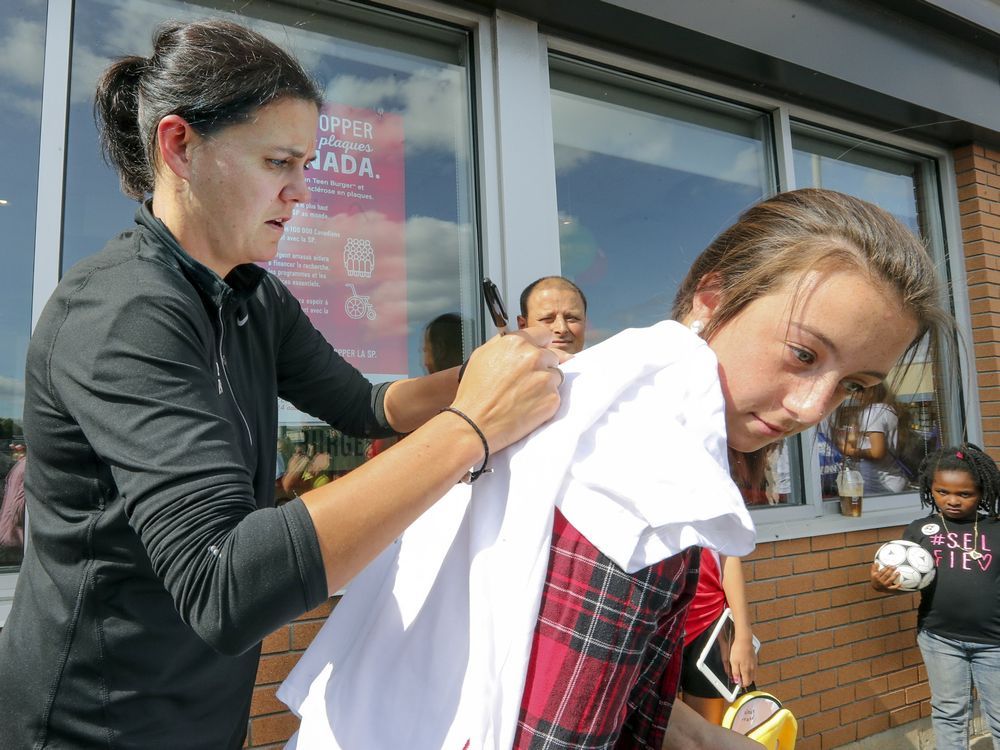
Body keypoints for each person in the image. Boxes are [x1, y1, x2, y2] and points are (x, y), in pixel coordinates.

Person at [0, 19, 564, 749]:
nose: (301, 192)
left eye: (307, 165)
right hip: (89, 722)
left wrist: (489, 371)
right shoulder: (121, 313)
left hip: (203, 712)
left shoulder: (252, 297)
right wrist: (473, 428)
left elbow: (366, 406)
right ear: (180, 147)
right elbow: (222, 580)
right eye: (278, 161)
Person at [280, 187, 952, 749]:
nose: (811, 407)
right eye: (804, 355)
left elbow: (609, 691)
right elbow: (555, 731)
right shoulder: (643, 464)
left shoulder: (617, 403)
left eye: (852, 386)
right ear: (712, 298)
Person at [871, 443, 1000, 750]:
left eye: (964, 494)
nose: (952, 500)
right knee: (949, 713)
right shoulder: (919, 531)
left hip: (995, 642)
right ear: (930, 489)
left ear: (983, 492)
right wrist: (881, 584)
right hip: (940, 638)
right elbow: (900, 582)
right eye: (942, 492)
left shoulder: (996, 530)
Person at [679, 553, 757, 724]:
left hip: (709, 624)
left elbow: (728, 554)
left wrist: (742, 635)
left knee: (705, 734)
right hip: (656, 625)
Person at [837, 382, 912, 493]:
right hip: (890, 480)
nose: (853, 394)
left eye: (856, 389)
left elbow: (877, 452)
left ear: (869, 391)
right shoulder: (886, 409)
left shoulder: (872, 412)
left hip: (878, 485)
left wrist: (850, 451)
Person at [517, 275, 588, 353]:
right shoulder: (503, 364)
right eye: (547, 319)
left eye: (571, 318)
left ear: (585, 322)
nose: (562, 329)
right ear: (523, 325)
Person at [0, 442, 26, 565]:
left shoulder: (20, 466)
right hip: (15, 539)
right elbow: (18, 511)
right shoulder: (27, 467)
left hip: (9, 537)